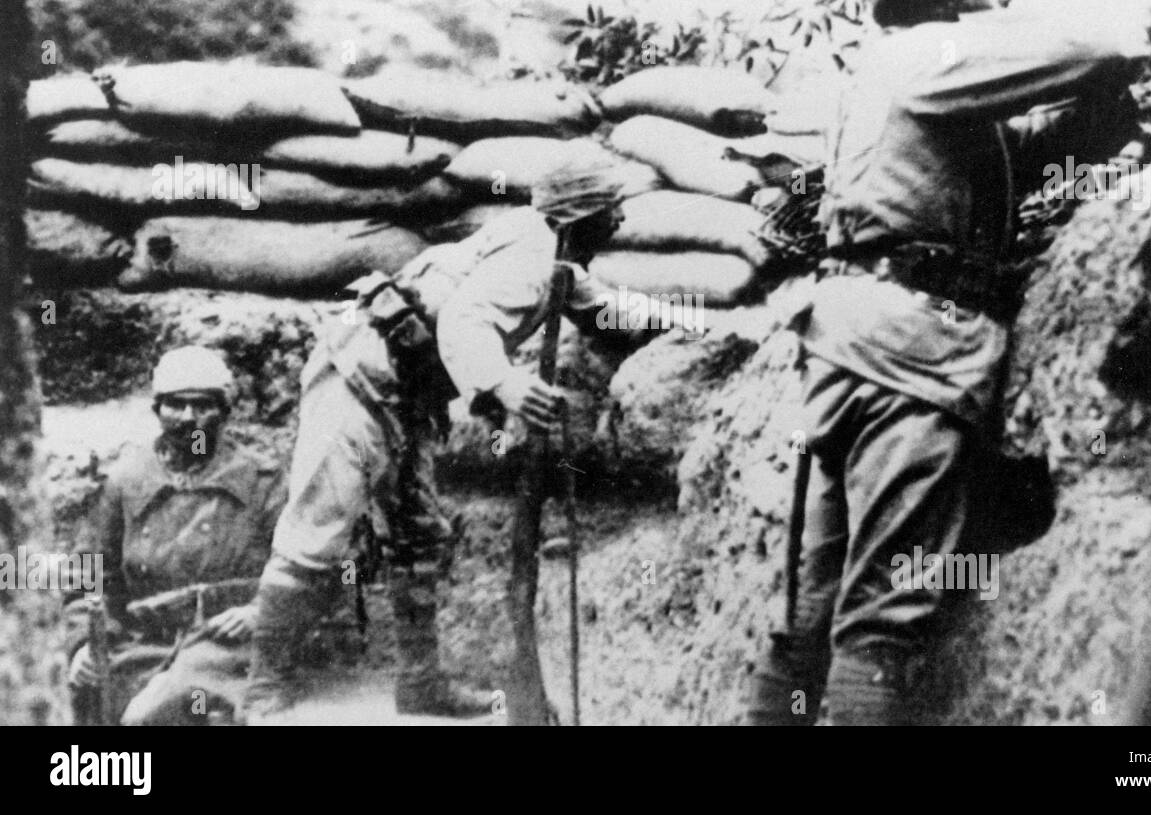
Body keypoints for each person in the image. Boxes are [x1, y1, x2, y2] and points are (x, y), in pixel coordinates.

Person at [745, 0, 1151, 725]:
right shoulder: (924, 56)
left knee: (808, 618)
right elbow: (1097, 45)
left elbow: (1038, 148)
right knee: (884, 620)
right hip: (911, 355)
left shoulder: (904, 76)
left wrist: (1107, 110)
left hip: (855, 348)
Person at [247, 164, 695, 720]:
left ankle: (419, 684)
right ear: (582, 215)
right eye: (612, 209)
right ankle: (264, 688)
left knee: (419, 536)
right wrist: (506, 383)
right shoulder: (529, 263)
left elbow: (605, 308)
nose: (622, 219)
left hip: (408, 392)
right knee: (317, 532)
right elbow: (465, 319)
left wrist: (689, 325)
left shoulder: (556, 258)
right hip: (357, 378)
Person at [64, 346, 285, 725]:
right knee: (81, 703)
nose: (188, 418)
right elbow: (91, 575)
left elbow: (306, 571)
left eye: (203, 405)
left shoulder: (262, 481)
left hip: (229, 647)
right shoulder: (128, 480)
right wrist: (84, 643)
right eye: (175, 405)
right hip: (143, 643)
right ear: (157, 410)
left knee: (151, 716)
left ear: (225, 411)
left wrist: (259, 611)